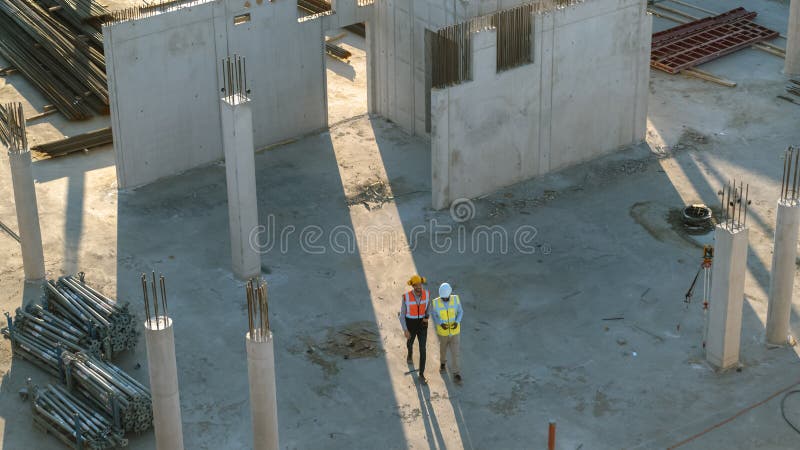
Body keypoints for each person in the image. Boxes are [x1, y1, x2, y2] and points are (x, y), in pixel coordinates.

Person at [399, 275, 430, 384]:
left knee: (423, 349)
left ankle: (421, 374)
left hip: (422, 326)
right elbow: (402, 316)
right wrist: (405, 330)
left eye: (420, 285)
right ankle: (410, 353)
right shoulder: (406, 297)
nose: (418, 287)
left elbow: (428, 308)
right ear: (412, 286)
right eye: (416, 285)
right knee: (410, 343)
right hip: (411, 325)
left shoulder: (427, 294)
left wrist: (427, 317)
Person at [432, 282, 463, 384]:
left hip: (455, 332)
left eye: (446, 298)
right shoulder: (435, 302)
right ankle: (442, 363)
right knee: (443, 350)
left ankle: (456, 373)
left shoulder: (456, 299)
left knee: (455, 353)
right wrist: (440, 323)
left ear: (450, 294)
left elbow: (460, 312)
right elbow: (435, 315)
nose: (444, 299)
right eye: (443, 298)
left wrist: (457, 322)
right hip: (443, 333)